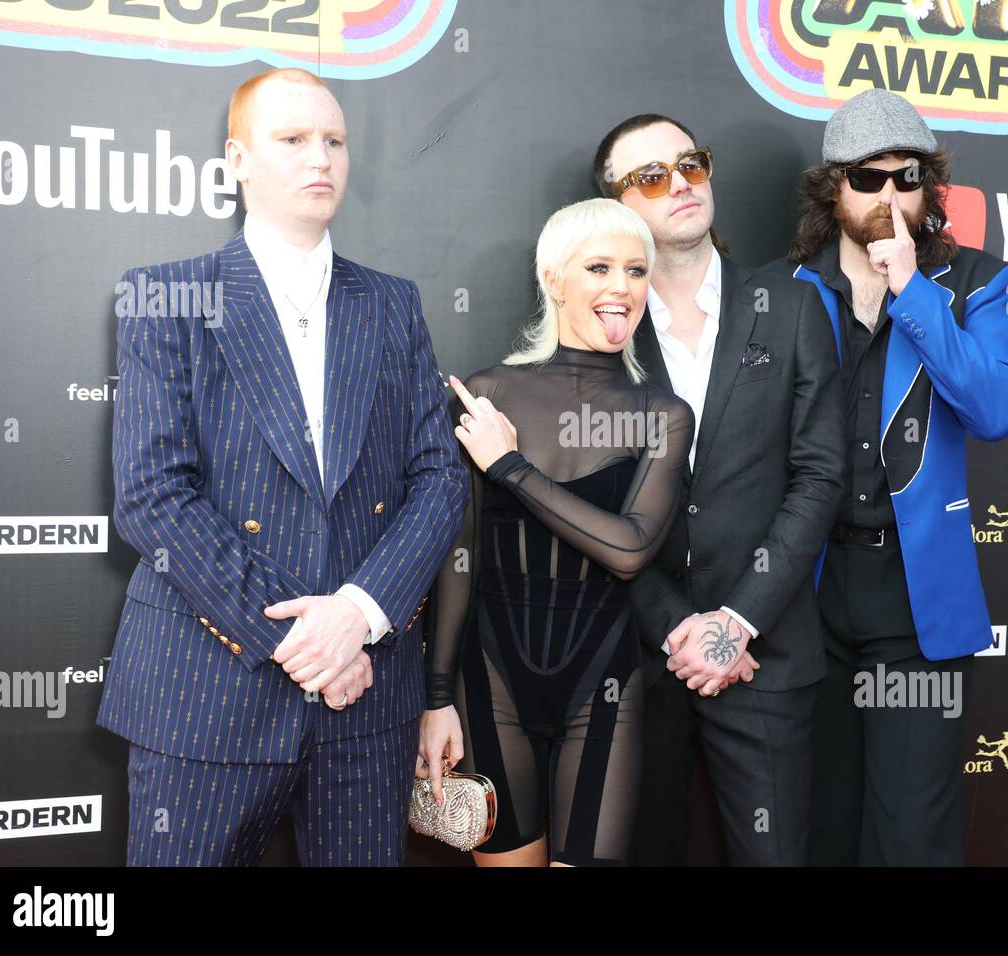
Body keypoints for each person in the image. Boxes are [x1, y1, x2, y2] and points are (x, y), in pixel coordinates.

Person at [96, 67, 466, 866]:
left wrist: (359, 614)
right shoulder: (168, 297)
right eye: (293, 140)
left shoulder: (393, 303)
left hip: (365, 708)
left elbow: (439, 479)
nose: (320, 158)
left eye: (333, 140)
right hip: (204, 697)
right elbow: (153, 498)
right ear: (237, 158)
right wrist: (309, 638)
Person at [770, 88, 1008, 865]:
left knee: (910, 836)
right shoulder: (786, 291)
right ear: (832, 188)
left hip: (915, 601)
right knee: (821, 826)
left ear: (930, 187)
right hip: (806, 593)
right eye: (868, 178)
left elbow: (998, 408)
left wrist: (914, 293)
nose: (889, 195)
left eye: (907, 177)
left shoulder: (974, 281)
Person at [593, 115, 846, 866]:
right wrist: (681, 629)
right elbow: (596, 506)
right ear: (617, 206)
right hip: (639, 658)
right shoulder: (604, 329)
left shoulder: (792, 307)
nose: (679, 184)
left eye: (690, 164)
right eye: (649, 176)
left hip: (765, 653)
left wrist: (734, 624)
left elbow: (820, 476)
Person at [417, 198, 696, 867]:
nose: (620, 287)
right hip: (489, 684)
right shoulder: (486, 394)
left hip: (603, 687)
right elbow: (460, 557)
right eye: (598, 266)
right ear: (553, 280)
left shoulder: (663, 413)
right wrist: (436, 698)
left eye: (635, 270)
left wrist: (510, 467)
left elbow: (629, 551)